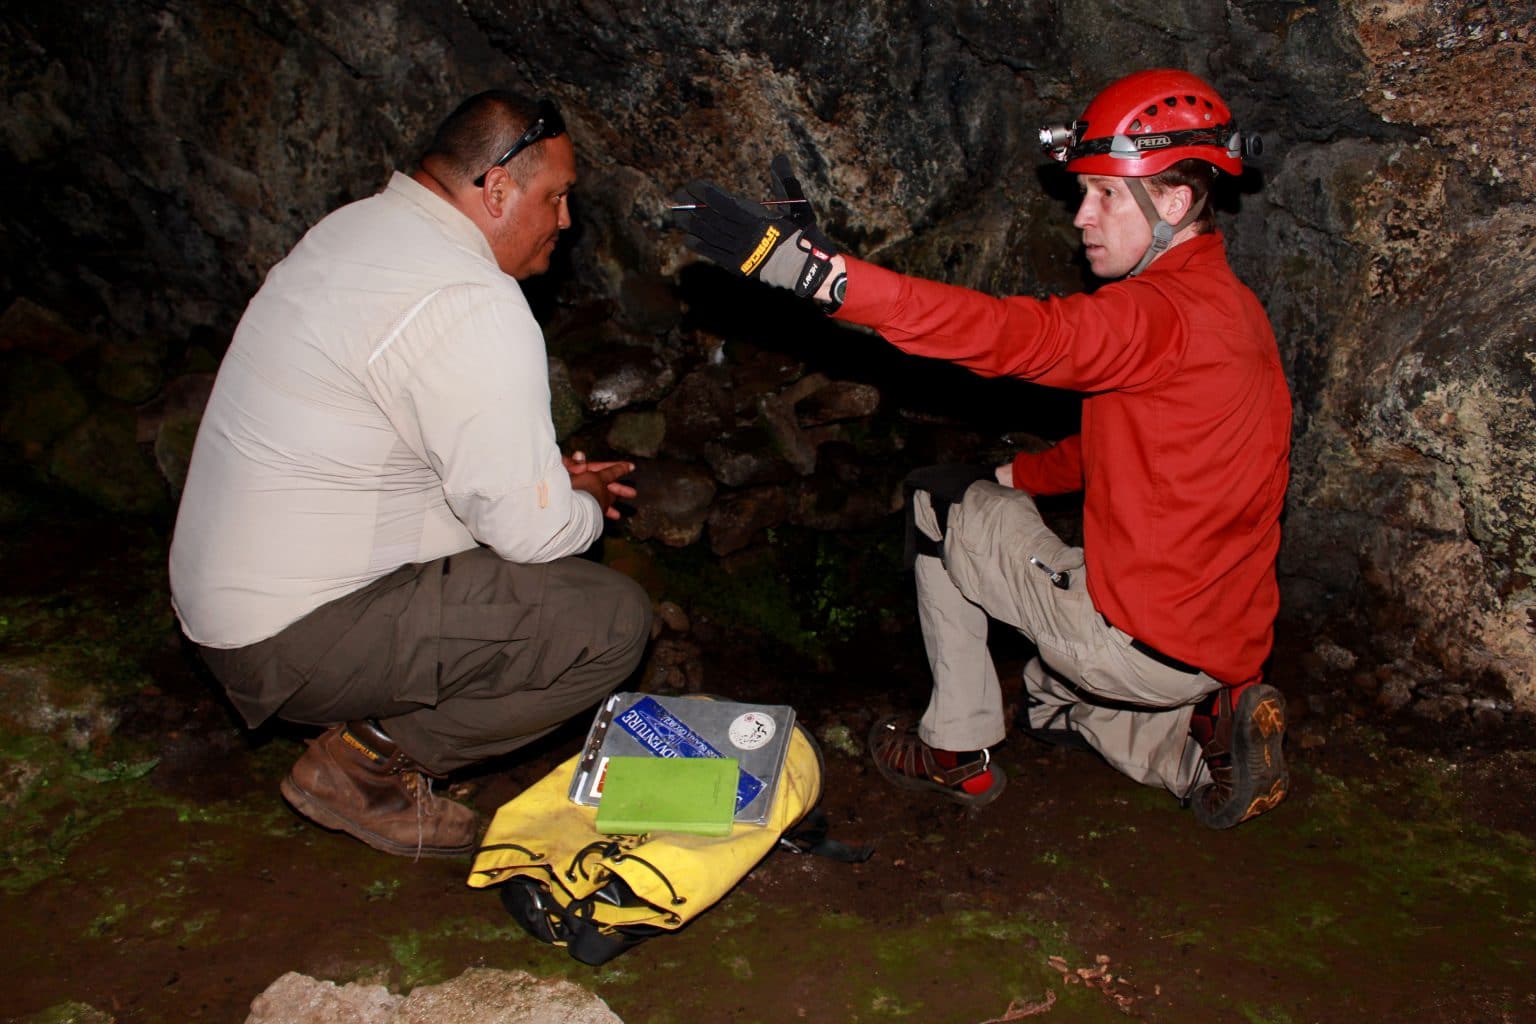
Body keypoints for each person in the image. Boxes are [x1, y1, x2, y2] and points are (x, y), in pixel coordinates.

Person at [672, 69, 1291, 828]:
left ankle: (954, 753)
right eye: (1083, 193)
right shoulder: (1234, 312)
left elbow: (1012, 335)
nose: (1081, 217)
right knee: (1048, 695)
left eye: (1105, 194)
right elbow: (1126, 448)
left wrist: (826, 279)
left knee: (937, 500)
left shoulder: (1151, 315)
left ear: (1172, 202)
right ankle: (1202, 746)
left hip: (1140, 637)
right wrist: (1012, 474)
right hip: (1222, 639)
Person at [169, 91, 652, 858]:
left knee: (518, 527)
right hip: (289, 637)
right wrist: (582, 500)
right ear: (498, 188)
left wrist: (534, 479)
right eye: (556, 197)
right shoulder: (472, 299)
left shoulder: (356, 231)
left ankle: (366, 730)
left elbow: (401, 444)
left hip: (223, 605)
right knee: (610, 622)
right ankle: (367, 764)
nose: (565, 221)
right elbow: (533, 536)